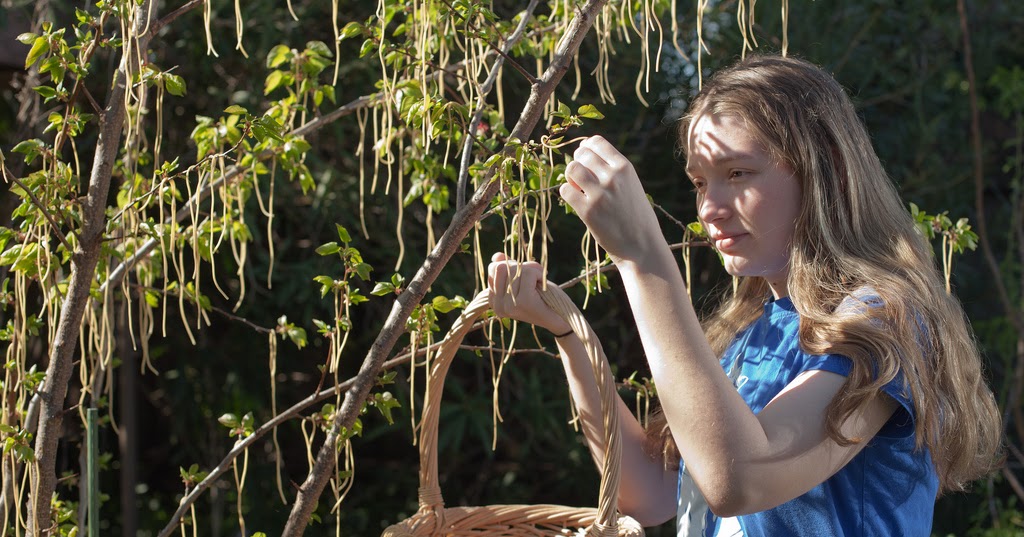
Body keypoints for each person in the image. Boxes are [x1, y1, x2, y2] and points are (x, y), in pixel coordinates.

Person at [486, 54, 1002, 535]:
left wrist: (642, 259)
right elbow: (652, 492)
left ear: (823, 171)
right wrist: (569, 333)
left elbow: (741, 480)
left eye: (737, 173)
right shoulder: (751, 332)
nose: (709, 207)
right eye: (699, 181)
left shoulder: (882, 322)